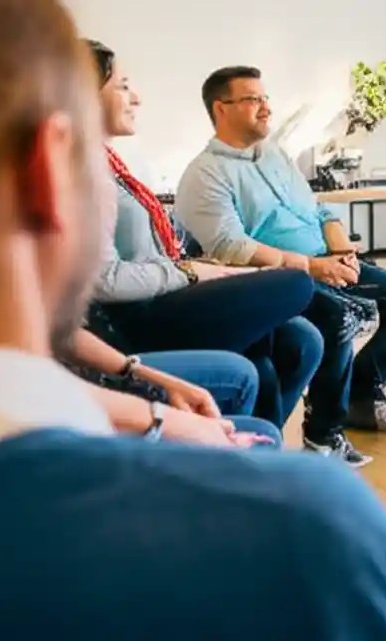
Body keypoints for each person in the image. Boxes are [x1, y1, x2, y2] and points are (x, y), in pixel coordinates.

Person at [0, 0, 386, 637]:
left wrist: (150, 412)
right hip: (180, 307)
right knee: (295, 307)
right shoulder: (308, 538)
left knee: (323, 318)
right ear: (48, 172)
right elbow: (215, 251)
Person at [176, 65, 386, 454]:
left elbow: (315, 210)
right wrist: (314, 267)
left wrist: (340, 248)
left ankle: (363, 395)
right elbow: (232, 247)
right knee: (339, 318)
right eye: (253, 99)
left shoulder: (277, 155)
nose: (265, 108)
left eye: (265, 99)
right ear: (221, 109)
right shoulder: (204, 173)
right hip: (276, 279)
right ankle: (323, 431)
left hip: (325, 260)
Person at [83, 40, 322, 437]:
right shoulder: (83, 172)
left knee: (299, 342)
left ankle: (258, 446)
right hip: (138, 311)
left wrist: (202, 269)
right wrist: (189, 272)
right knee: (294, 284)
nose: (136, 97)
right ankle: (257, 450)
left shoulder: (114, 162)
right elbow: (104, 281)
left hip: (163, 289)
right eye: (123, 85)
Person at [64, 328, 284, 448]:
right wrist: (160, 421)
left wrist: (149, 376)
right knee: (264, 438)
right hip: (64, 435)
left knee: (252, 371)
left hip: (91, 382)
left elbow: (62, 332)